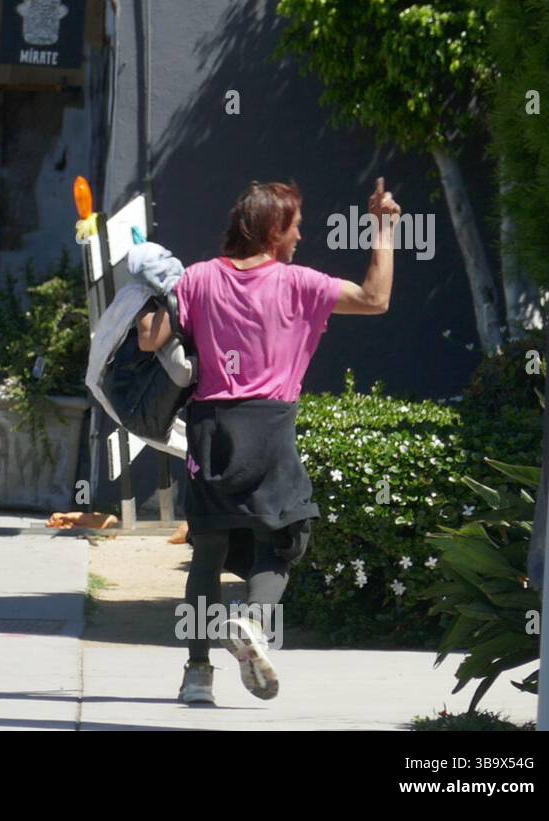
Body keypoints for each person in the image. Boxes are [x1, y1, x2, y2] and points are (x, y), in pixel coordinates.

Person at [138, 178, 400, 704]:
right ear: (275, 230)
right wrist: (384, 229)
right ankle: (252, 624)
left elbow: (149, 339)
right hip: (270, 429)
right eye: (296, 226)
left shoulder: (197, 279)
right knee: (281, 538)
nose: (300, 236)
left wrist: (159, 289)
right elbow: (376, 299)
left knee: (207, 551)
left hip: (211, 430)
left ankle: (196, 675)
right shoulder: (299, 283)